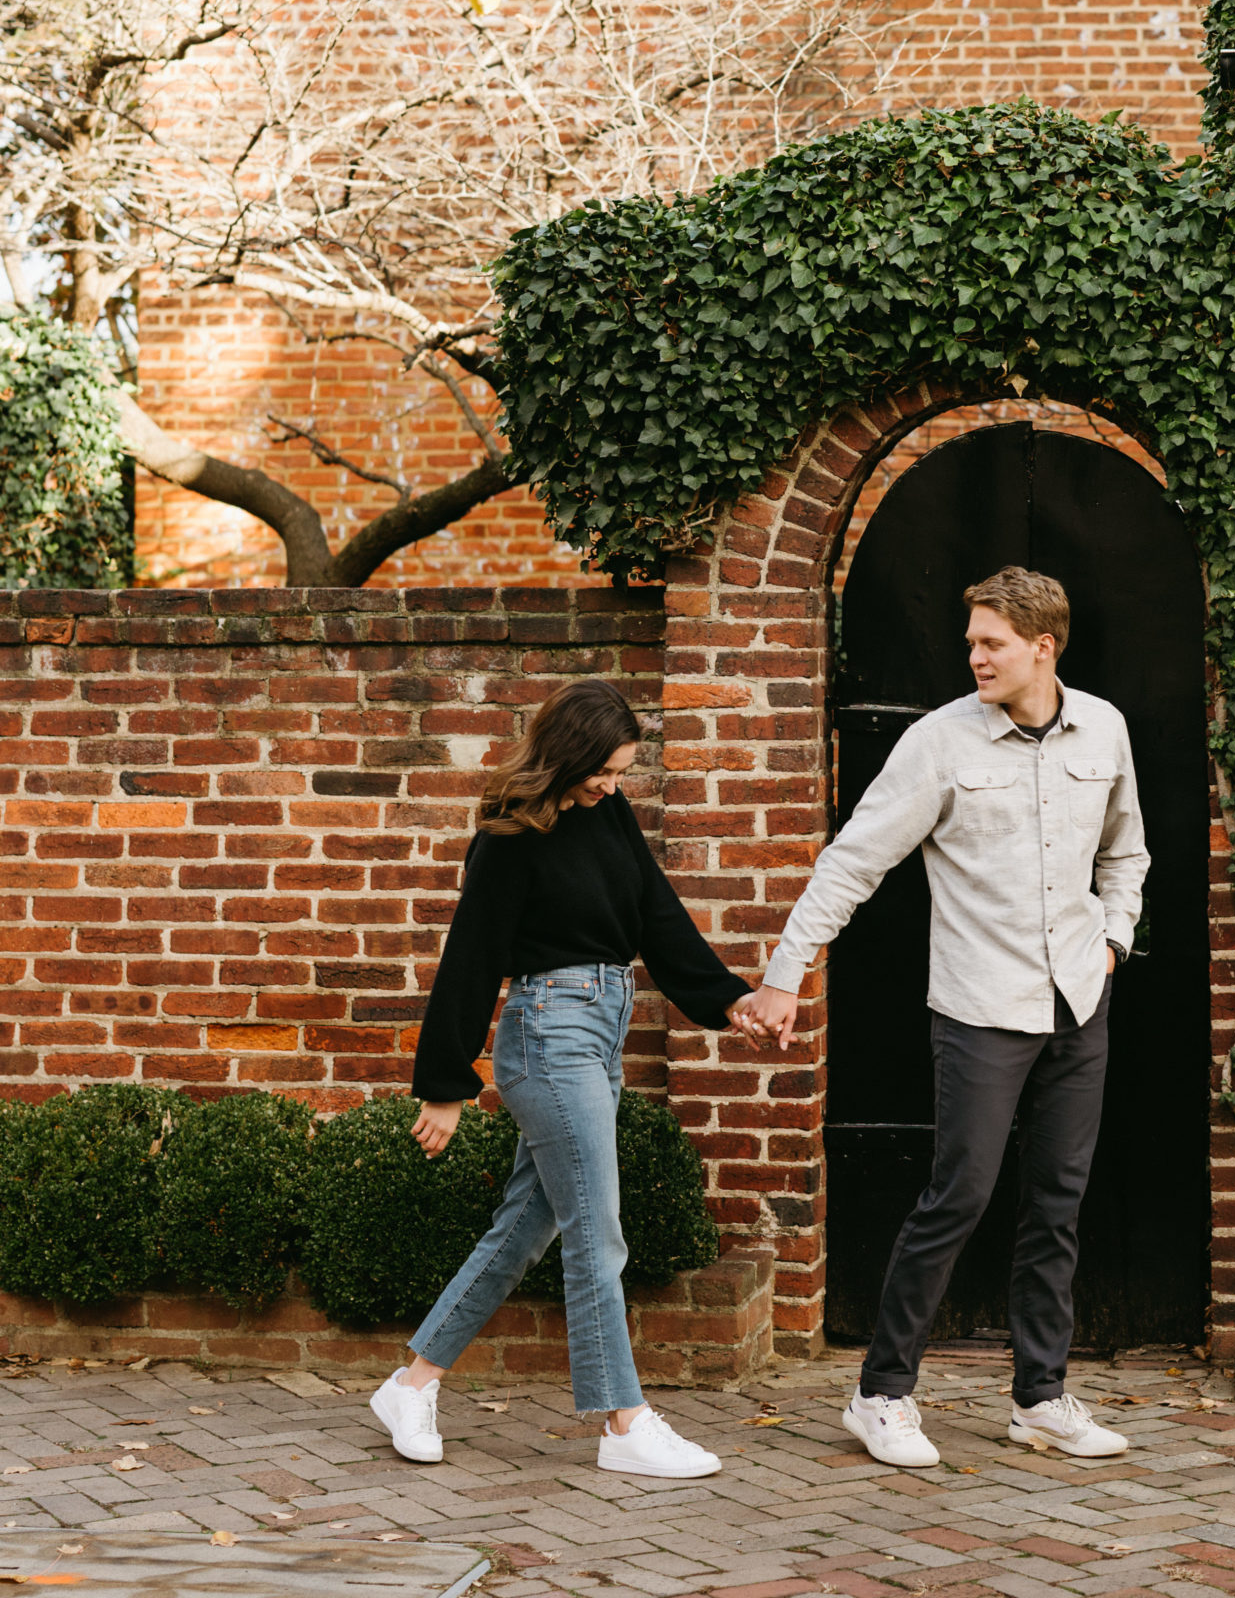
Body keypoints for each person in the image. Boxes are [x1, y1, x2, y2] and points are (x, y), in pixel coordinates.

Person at [745, 566, 1148, 1469]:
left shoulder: (1105, 728)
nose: (972, 655)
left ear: (1042, 648)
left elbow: (1127, 850)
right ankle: (880, 1394)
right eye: (970, 640)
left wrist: (1113, 940)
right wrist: (783, 974)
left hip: (1079, 1000)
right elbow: (851, 863)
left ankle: (1039, 1397)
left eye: (990, 642)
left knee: (1057, 1203)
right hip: (978, 1009)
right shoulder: (938, 744)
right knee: (957, 1197)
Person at [368, 677, 768, 1481]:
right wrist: (446, 1083)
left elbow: (655, 911)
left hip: (600, 1028)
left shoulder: (607, 815)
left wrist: (731, 1000)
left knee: (528, 1225)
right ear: (571, 752)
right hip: (547, 1036)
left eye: (621, 773)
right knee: (596, 1228)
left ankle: (411, 1385)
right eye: (605, 770)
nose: (612, 785)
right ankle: (623, 1422)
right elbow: (472, 955)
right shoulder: (509, 837)